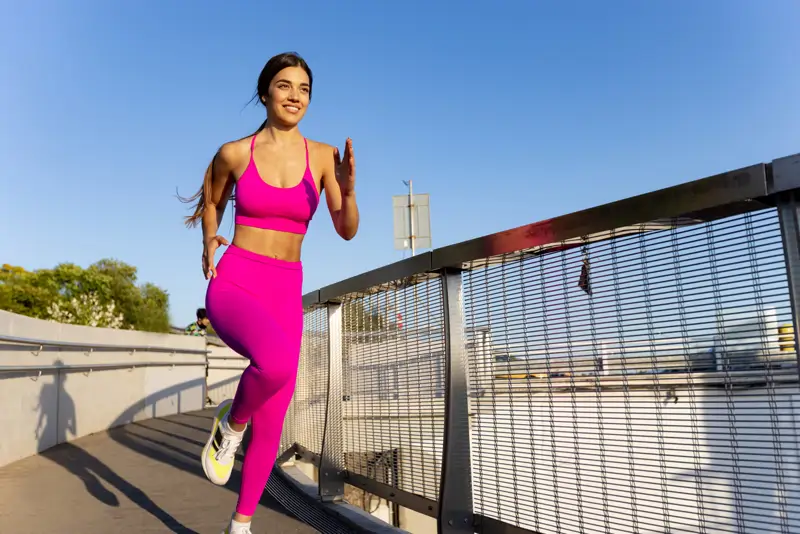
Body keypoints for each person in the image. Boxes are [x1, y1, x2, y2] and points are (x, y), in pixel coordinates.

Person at [180, 52, 358, 534]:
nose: (295, 95)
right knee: (277, 366)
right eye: (284, 86)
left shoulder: (321, 157)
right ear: (265, 93)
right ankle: (230, 425)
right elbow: (213, 200)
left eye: (304, 88)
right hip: (236, 280)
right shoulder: (234, 153)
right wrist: (207, 243)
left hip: (285, 290)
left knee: (275, 412)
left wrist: (348, 191)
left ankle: (240, 526)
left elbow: (346, 229)